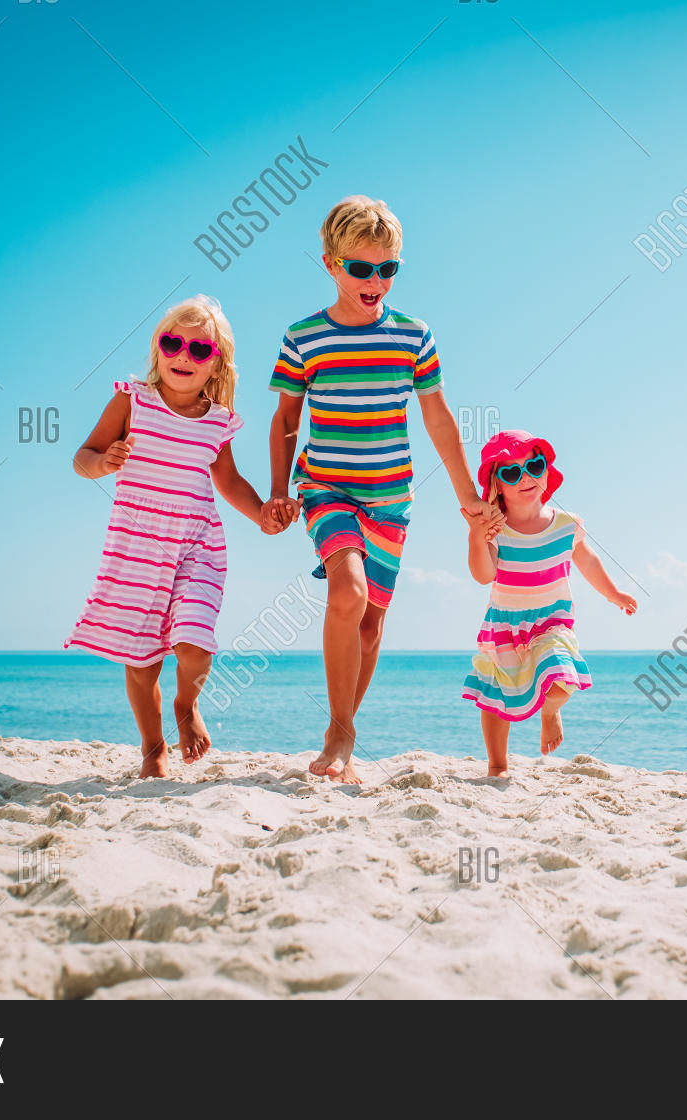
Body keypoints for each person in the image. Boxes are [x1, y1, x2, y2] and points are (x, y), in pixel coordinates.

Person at [264, 195, 503, 784]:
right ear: (330, 263)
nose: (375, 281)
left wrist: (466, 496)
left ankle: (346, 725)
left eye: (387, 268)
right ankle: (339, 733)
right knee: (344, 592)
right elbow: (285, 418)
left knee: (370, 624)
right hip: (325, 489)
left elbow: (439, 419)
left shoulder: (413, 336)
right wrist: (278, 489)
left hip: (392, 499)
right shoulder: (304, 337)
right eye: (361, 268)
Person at [67, 295, 278, 777]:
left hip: (197, 545)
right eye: (172, 342)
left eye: (199, 350)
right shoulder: (132, 400)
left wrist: (262, 514)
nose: (183, 355)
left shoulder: (217, 422)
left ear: (216, 364)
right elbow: (84, 456)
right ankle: (152, 747)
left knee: (195, 644)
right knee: (141, 664)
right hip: (136, 551)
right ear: (157, 349)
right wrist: (103, 463)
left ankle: (187, 704)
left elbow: (228, 482)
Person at [461, 430, 637, 776]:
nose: (526, 477)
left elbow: (586, 560)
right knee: (497, 697)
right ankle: (497, 765)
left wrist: (612, 593)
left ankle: (549, 710)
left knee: (559, 678)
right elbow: (483, 575)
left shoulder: (566, 524)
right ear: (497, 484)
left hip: (551, 622)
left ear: (546, 471)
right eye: (512, 473)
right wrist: (475, 536)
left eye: (534, 466)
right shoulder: (498, 529)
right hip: (505, 626)